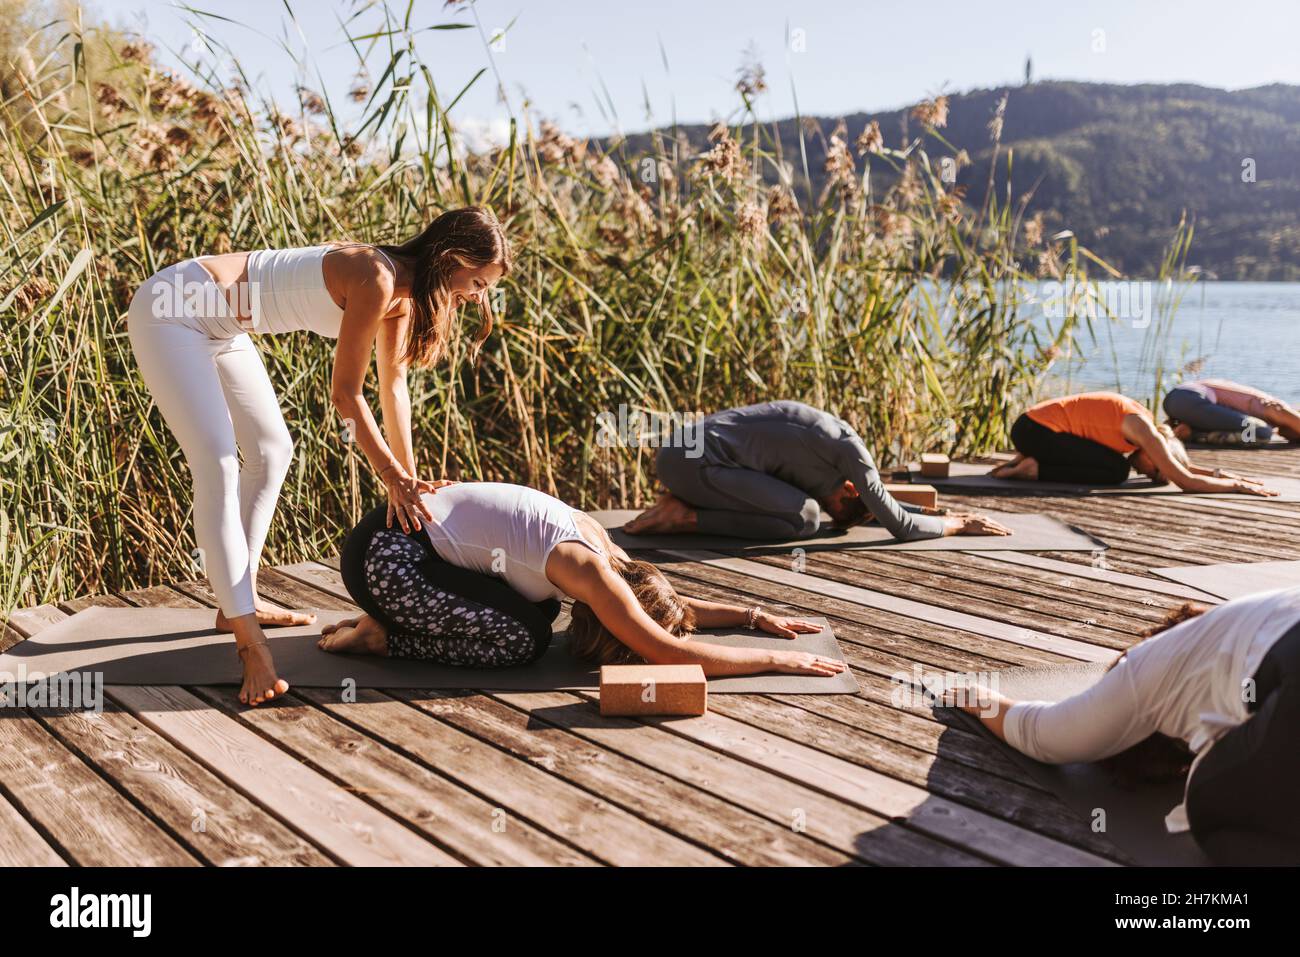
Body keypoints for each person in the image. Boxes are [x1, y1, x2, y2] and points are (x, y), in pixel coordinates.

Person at [127, 206, 509, 705]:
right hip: (171, 309)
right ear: (454, 259)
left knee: (271, 449)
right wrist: (390, 475)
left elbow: (393, 390)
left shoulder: (405, 297)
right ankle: (251, 647)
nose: (477, 296)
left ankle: (234, 604)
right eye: (477, 282)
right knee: (217, 461)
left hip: (222, 326)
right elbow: (346, 395)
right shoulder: (376, 275)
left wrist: (409, 482)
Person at [322, 481, 847, 677]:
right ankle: (383, 636)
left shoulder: (609, 554)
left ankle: (394, 619)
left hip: (398, 543)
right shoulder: (591, 569)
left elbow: (666, 605)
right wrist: (778, 660)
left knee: (541, 609)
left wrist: (753, 615)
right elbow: (669, 651)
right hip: (386, 562)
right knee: (522, 641)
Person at [950, 586, 1300, 865]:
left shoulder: (1145, 665)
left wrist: (976, 698)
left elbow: (1043, 735)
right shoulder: (1250, 611)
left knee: (1208, 811)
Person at [621, 400, 1010, 541]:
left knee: (797, 509)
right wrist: (955, 524)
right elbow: (898, 524)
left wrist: (933, 512)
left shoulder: (832, 458)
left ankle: (686, 501)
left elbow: (882, 503)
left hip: (685, 457)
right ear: (851, 490)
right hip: (695, 463)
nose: (835, 516)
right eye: (842, 512)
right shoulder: (851, 454)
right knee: (802, 519)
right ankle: (685, 515)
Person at [992, 391, 1277, 496]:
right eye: (1155, 471)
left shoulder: (1146, 429)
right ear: (1157, 453)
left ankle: (1032, 460)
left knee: (1114, 465)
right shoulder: (1146, 432)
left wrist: (1232, 476)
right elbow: (1186, 480)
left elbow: (1185, 468)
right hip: (1036, 431)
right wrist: (1237, 487)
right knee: (1115, 471)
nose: (1145, 474)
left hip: (1034, 429)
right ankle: (1033, 468)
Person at [1163, 379, 1300, 445]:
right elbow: (1281, 413)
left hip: (1176, 400)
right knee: (1261, 433)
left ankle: (1187, 430)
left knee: (1258, 432)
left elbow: (1286, 432)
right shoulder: (1276, 405)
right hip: (1189, 398)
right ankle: (1193, 434)